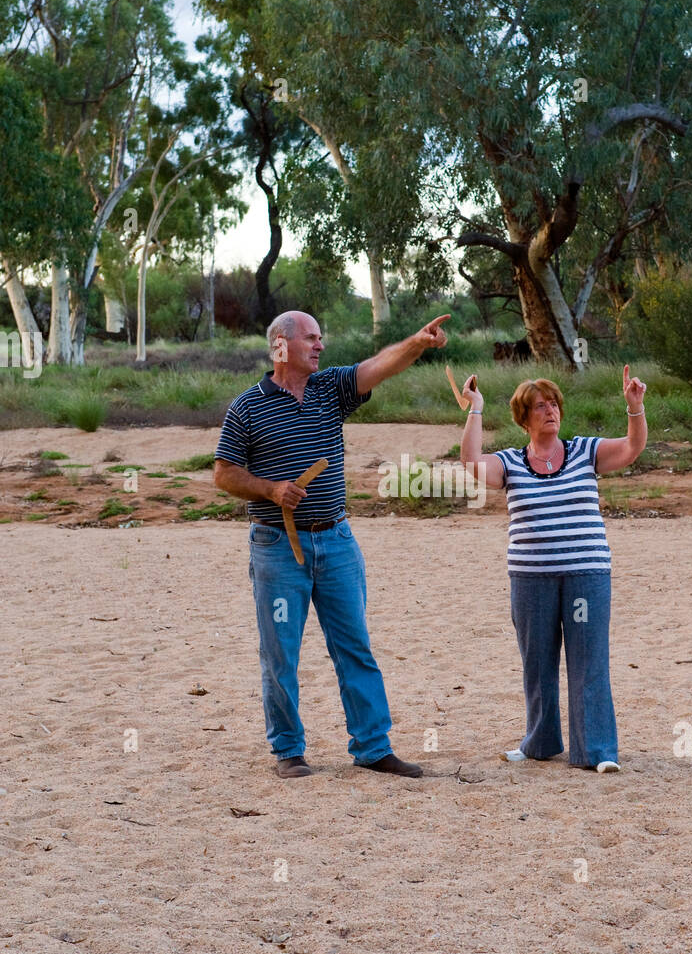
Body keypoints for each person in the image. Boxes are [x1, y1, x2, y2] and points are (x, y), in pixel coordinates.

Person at [213, 308, 450, 779]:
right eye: (311, 339)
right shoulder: (247, 407)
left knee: (355, 647)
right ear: (281, 346)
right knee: (280, 653)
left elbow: (377, 366)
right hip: (278, 546)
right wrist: (270, 489)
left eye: (321, 337)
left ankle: (372, 747)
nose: (320, 346)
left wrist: (417, 343)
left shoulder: (330, 389)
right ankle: (289, 751)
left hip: (337, 540)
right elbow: (224, 473)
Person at [459, 365, 647, 772]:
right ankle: (540, 744)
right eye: (540, 406)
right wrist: (475, 408)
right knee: (538, 661)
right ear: (524, 418)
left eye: (554, 404)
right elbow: (472, 464)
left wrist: (635, 408)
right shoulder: (509, 461)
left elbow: (632, 449)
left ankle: (596, 751)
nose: (550, 410)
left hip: (586, 573)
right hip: (530, 578)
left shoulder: (585, 451)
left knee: (588, 660)